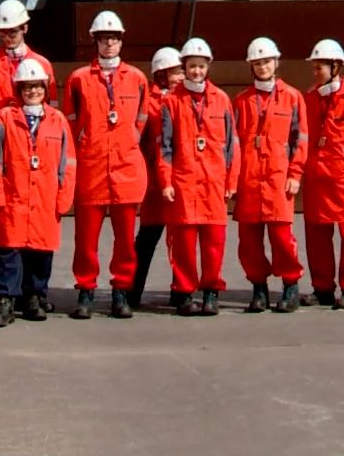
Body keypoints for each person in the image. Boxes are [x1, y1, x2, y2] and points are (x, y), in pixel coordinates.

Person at [61, 10, 155, 320]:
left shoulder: (138, 79)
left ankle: (120, 293)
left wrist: (126, 140)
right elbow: (71, 122)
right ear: (96, 42)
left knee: (125, 240)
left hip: (126, 170)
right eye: (104, 38)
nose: (109, 43)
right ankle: (86, 291)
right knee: (85, 240)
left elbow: (141, 118)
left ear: (121, 41)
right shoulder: (79, 79)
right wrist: (88, 141)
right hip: (91, 169)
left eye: (114, 38)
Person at [0, 0, 57, 298]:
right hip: (0, 154)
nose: (8, 36)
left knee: (35, 226)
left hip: (32, 152)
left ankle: (32, 293)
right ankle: (2, 294)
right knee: (0, 227)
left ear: (25, 28)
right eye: (3, 32)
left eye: (13, 31)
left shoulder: (42, 65)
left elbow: (51, 112)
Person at [0, 58, 77, 327]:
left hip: (45, 197)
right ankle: (5, 300)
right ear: (18, 90)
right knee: (9, 252)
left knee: (41, 251)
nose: (33, 92)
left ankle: (35, 296)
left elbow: (67, 162)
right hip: (13, 198)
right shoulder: (4, 118)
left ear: (45, 89)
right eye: (27, 87)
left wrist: (63, 196)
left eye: (37, 87)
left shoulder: (57, 121)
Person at [156, 38, 239, 316]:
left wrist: (231, 181)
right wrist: (166, 181)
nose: (196, 72)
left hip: (214, 182)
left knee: (214, 242)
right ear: (184, 67)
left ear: (208, 67)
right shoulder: (171, 101)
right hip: (184, 181)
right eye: (191, 66)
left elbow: (231, 145)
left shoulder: (222, 100)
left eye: (201, 66)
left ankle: (211, 291)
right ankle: (184, 292)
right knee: (184, 243)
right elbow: (165, 146)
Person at [231, 36, 306, 314]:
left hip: (278, 178)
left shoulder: (292, 97)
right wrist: (234, 180)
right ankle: (258, 288)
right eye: (257, 63)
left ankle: (290, 286)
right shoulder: (241, 101)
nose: (263, 67)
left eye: (266, 62)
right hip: (249, 179)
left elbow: (300, 139)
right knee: (249, 242)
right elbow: (234, 144)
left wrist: (295, 172)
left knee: (282, 238)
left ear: (276, 62)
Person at [300, 39, 344, 309]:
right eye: (314, 67)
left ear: (336, 66)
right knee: (317, 238)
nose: (316, 72)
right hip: (318, 178)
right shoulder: (309, 97)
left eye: (320, 67)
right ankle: (322, 288)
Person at [128, 45, 184, 312]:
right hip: (154, 181)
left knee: (180, 239)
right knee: (147, 239)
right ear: (161, 74)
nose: (181, 77)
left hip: (180, 180)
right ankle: (132, 289)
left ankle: (181, 290)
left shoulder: (185, 98)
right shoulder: (148, 101)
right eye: (175, 72)